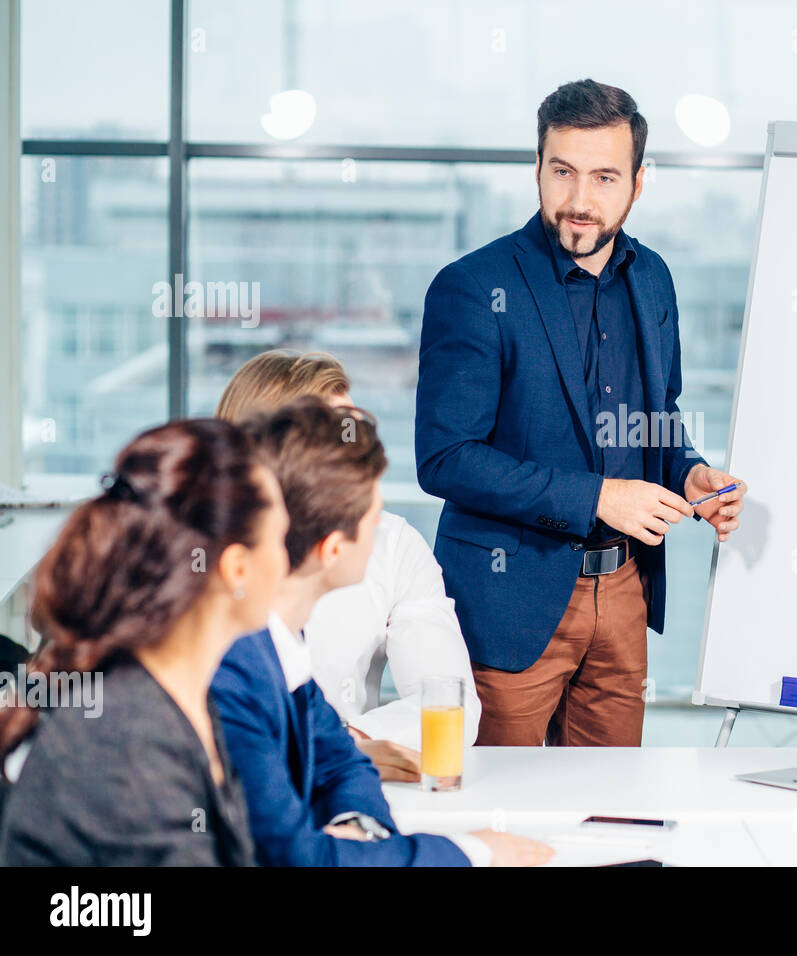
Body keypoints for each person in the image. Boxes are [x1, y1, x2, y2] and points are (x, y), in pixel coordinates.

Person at [416, 78, 747, 747]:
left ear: (638, 182)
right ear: (537, 167)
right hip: (509, 604)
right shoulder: (475, 288)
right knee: (499, 814)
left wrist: (690, 475)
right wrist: (600, 496)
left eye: (603, 177)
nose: (579, 200)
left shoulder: (653, 279)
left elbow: (660, 417)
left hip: (624, 593)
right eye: (562, 172)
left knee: (609, 819)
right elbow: (446, 457)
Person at [212, 397, 550, 866]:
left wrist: (360, 828)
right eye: (373, 517)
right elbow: (293, 858)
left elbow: (339, 761)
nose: (385, 530)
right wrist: (472, 853)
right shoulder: (229, 668)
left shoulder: (282, 648)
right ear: (332, 548)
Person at [0, 419, 290, 865]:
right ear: (236, 569)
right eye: (281, 540)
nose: (288, 564)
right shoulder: (128, 740)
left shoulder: (177, 695)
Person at [216, 348, 480, 781]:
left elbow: (451, 701)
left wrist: (348, 743)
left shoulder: (389, 542)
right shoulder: (206, 562)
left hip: (351, 779)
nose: (358, 455)